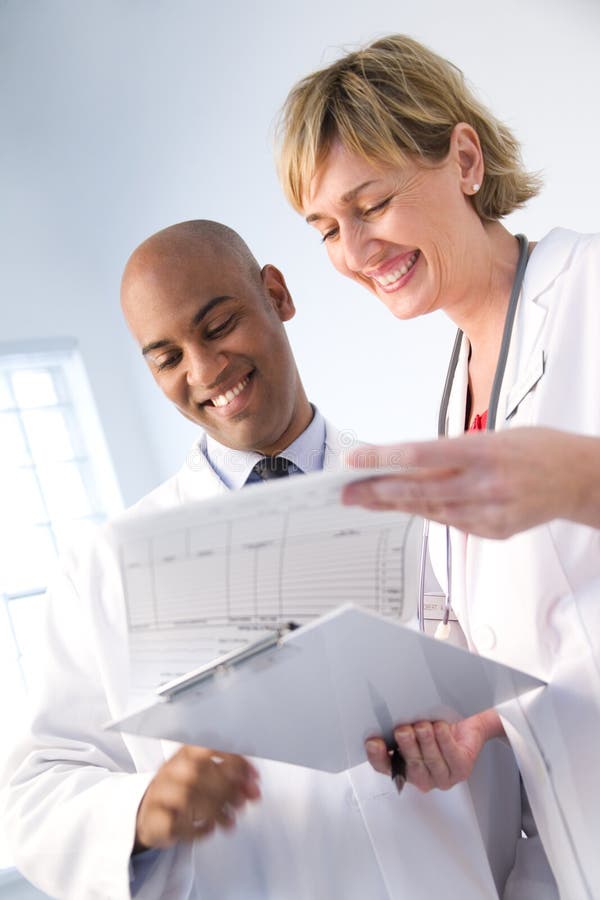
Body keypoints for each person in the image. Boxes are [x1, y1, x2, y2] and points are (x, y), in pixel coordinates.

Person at [2, 220, 521, 899]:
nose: (205, 370)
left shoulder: (429, 496)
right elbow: (39, 788)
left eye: (218, 326)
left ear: (276, 294)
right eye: (166, 358)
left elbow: (538, 708)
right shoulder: (104, 568)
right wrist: (142, 810)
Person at [276, 33, 600, 900]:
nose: (353, 251)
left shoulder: (590, 291)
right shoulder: (457, 387)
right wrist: (477, 728)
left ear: (463, 159)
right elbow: (561, 636)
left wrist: (578, 479)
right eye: (326, 230)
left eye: (373, 202)